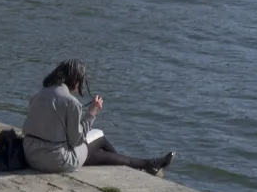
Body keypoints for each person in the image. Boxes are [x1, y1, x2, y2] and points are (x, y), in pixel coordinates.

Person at [20, 60, 173, 174]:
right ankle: (145, 165)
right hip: (56, 161)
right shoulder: (71, 102)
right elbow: (76, 141)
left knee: (97, 154)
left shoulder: (38, 95)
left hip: (32, 156)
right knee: (99, 136)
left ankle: (146, 165)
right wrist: (92, 113)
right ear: (75, 79)